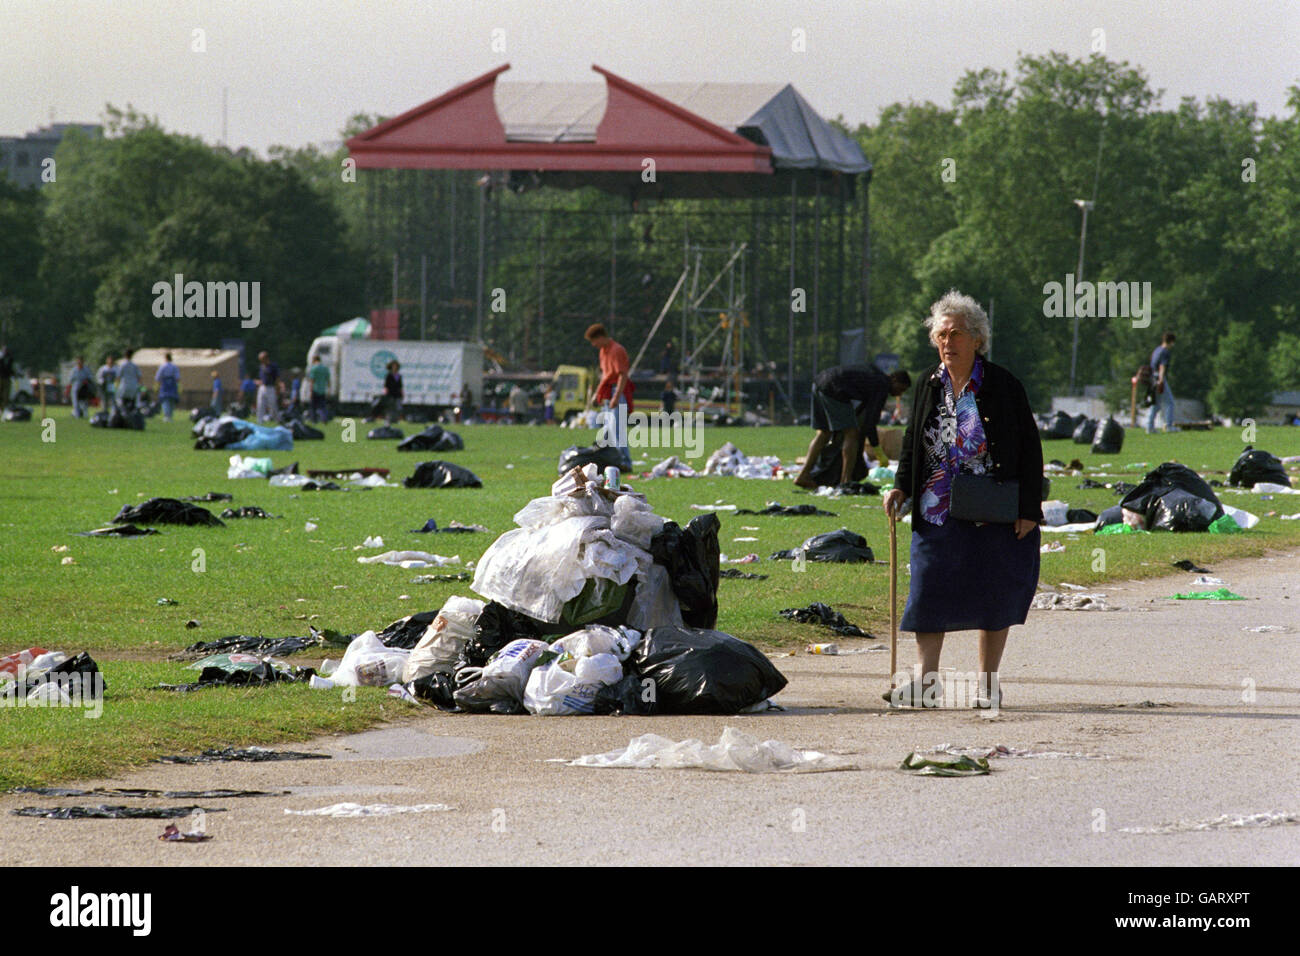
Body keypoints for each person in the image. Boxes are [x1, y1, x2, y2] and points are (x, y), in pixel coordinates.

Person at [881, 290, 1043, 710]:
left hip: (992, 508)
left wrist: (1028, 510)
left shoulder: (1004, 386)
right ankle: (926, 682)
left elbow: (1029, 448)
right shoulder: (927, 384)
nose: (946, 342)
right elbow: (914, 443)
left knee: (994, 593)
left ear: (977, 339)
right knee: (928, 590)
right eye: (940, 334)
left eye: (955, 334)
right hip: (936, 507)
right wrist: (901, 486)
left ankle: (987, 684)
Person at [795, 364, 912, 488]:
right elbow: (870, 422)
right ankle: (845, 481)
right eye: (901, 389)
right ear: (894, 380)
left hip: (819, 382)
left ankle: (803, 475)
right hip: (834, 388)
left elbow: (864, 413)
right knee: (852, 433)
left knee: (824, 433)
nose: (899, 393)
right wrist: (878, 450)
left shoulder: (874, 376)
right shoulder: (882, 385)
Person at [585, 323, 633, 463]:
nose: (593, 344)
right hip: (607, 393)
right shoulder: (603, 351)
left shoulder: (616, 350)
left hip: (616, 392)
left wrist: (616, 397)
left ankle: (624, 461)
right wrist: (597, 393)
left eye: (594, 341)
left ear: (600, 337)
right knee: (608, 430)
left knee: (617, 429)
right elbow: (605, 375)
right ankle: (613, 459)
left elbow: (622, 375)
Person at [1146, 332, 1177, 433]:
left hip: (1152, 377)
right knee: (1170, 402)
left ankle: (1149, 427)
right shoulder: (1165, 352)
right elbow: (1162, 366)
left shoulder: (1157, 350)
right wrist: (1161, 380)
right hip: (1159, 378)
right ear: (1171, 342)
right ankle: (1169, 426)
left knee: (1156, 404)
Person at [154, 351, 180, 422]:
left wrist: (157, 385)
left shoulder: (163, 366)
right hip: (172, 383)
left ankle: (166, 416)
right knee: (171, 400)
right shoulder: (174, 367)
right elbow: (177, 378)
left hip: (165, 383)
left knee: (165, 400)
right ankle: (170, 416)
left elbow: (158, 377)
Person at [256, 351, 280, 423]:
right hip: (263, 387)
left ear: (266, 358)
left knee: (272, 404)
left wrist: (277, 388)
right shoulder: (262, 367)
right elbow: (262, 378)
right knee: (260, 404)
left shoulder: (273, 366)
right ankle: (259, 421)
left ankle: (277, 420)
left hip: (271, 387)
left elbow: (277, 378)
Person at [308, 354, 330, 423]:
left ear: (314, 360)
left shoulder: (314, 368)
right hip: (322, 390)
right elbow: (328, 380)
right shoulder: (325, 368)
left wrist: (310, 391)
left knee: (313, 406)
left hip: (315, 389)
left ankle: (314, 420)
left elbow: (312, 380)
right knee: (323, 406)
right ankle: (324, 418)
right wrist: (329, 390)